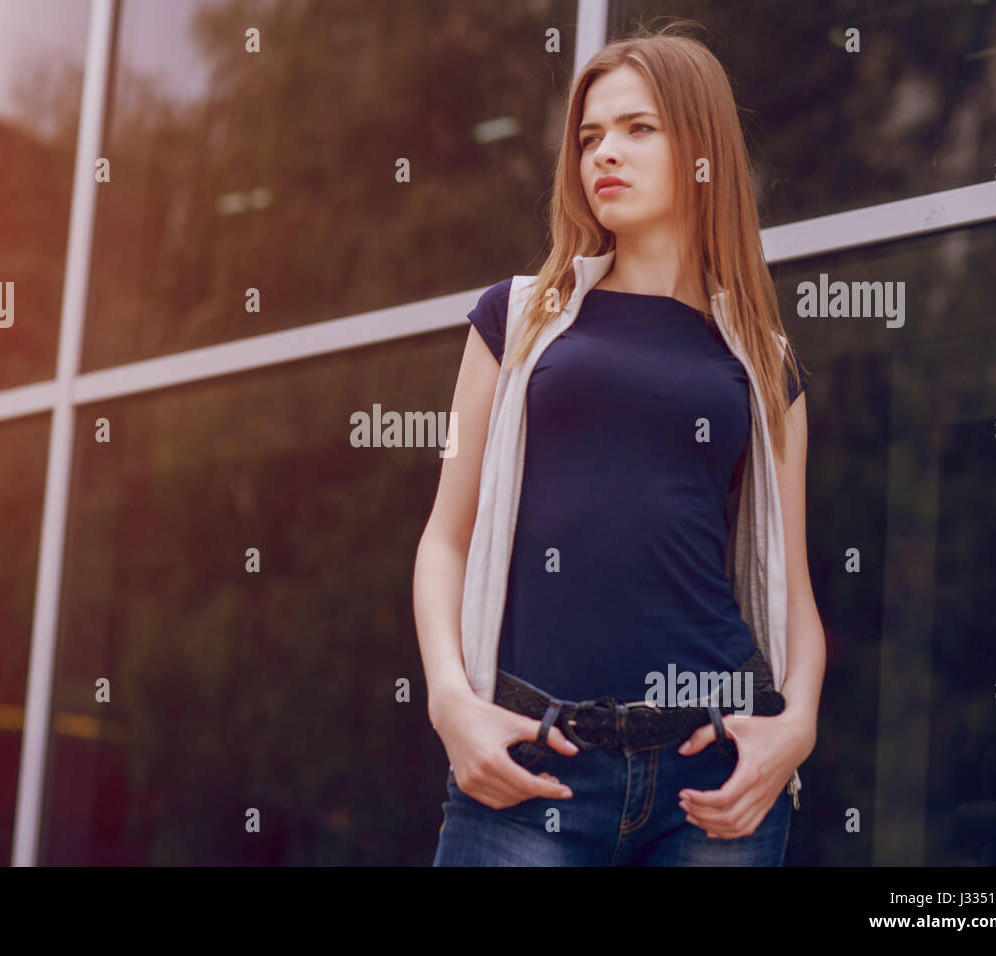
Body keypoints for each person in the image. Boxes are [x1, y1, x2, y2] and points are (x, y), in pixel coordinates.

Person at [412, 21, 826, 866]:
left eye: (639, 129)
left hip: (709, 778)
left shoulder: (765, 363)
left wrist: (799, 726)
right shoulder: (513, 318)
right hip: (531, 763)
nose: (606, 153)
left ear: (701, 147)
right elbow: (443, 540)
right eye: (591, 136)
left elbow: (795, 595)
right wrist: (451, 704)